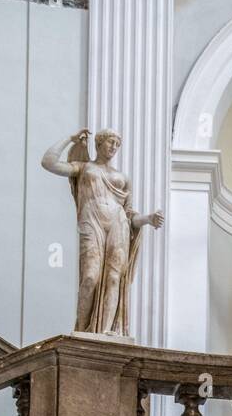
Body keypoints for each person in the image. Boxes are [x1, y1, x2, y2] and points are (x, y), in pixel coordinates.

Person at [42, 128, 163, 338]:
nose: (114, 147)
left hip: (119, 224)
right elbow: (48, 162)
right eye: (110, 142)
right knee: (90, 276)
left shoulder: (122, 178)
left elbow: (130, 215)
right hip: (92, 221)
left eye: (117, 144)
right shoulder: (84, 167)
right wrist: (70, 140)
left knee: (114, 278)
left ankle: (107, 331)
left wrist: (148, 219)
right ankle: (81, 329)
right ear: (98, 143)